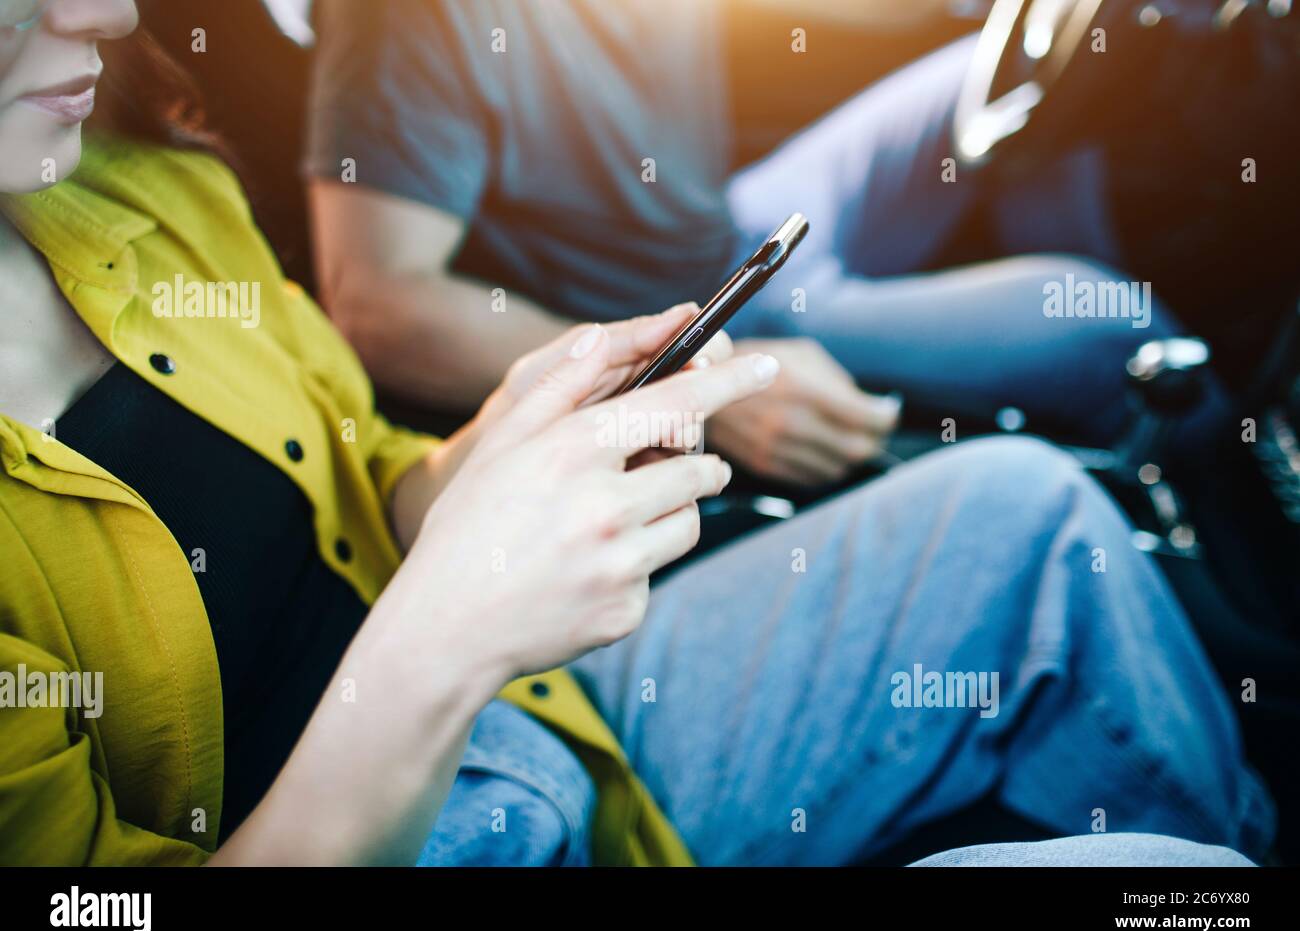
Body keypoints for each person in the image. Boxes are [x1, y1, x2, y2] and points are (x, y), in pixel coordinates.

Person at [0, 0, 1271, 866]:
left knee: (1027, 510)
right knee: (1159, 871)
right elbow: (381, 301)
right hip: (422, 792)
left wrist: (486, 451)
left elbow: (365, 474)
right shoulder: (410, 30)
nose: (109, 12)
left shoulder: (147, 188)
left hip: (545, 712)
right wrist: (444, 636)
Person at [305, 0, 1192, 489]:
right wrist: (694, 395)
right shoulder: (407, 19)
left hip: (751, 215)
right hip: (715, 311)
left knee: (1034, 67)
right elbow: (381, 302)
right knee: (1113, 327)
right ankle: (1241, 552)